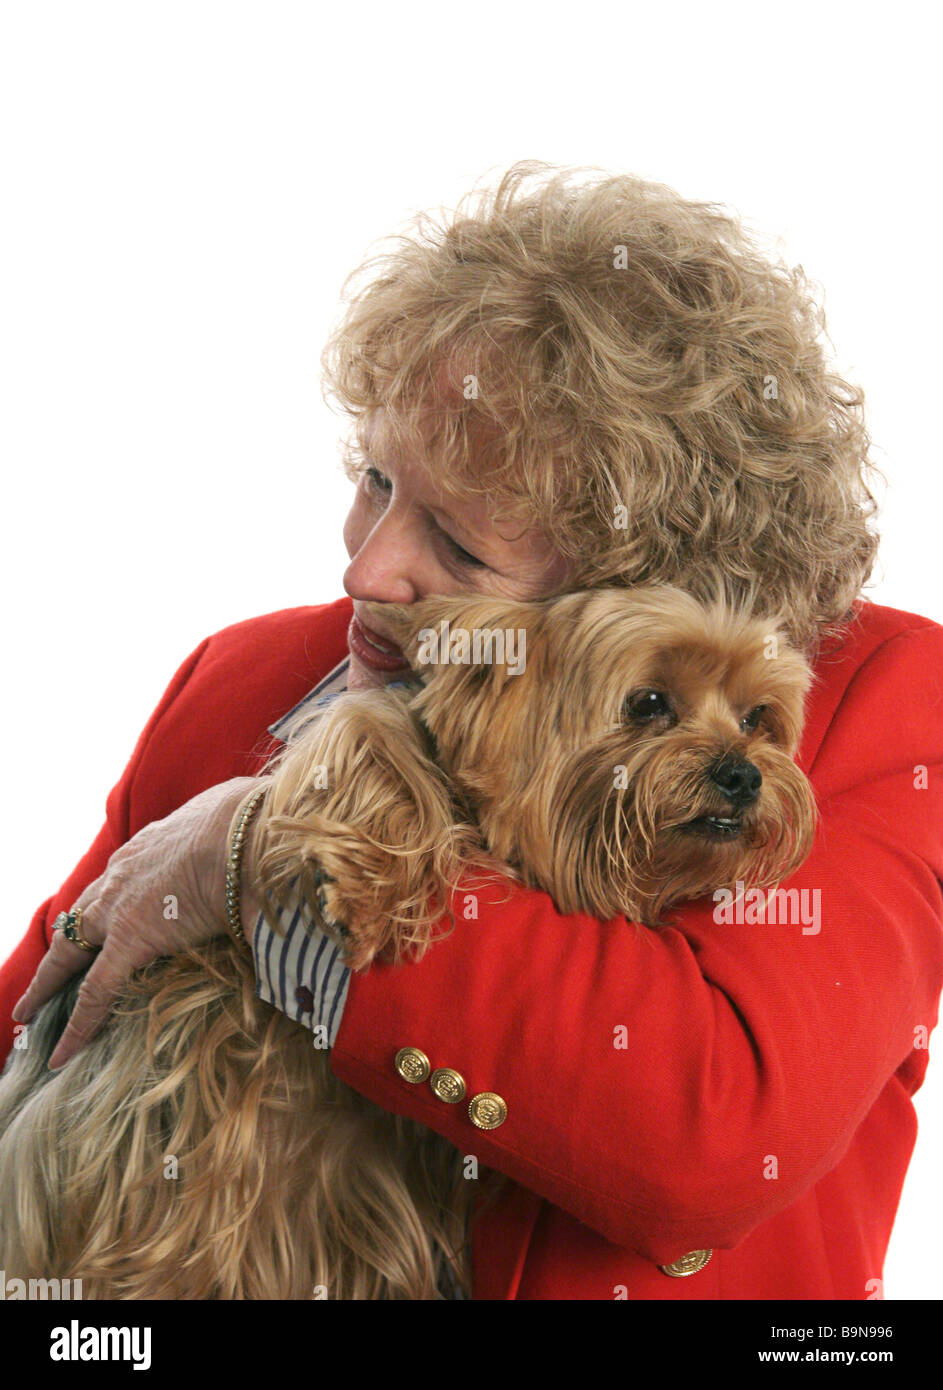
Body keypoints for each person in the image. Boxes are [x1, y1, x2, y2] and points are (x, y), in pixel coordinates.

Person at [3, 162, 942, 1300]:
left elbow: (709, 1131)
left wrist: (263, 859)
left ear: (644, 589)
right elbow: (36, 1028)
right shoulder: (246, 681)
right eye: (375, 481)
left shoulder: (880, 708)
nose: (367, 571)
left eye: (459, 546)